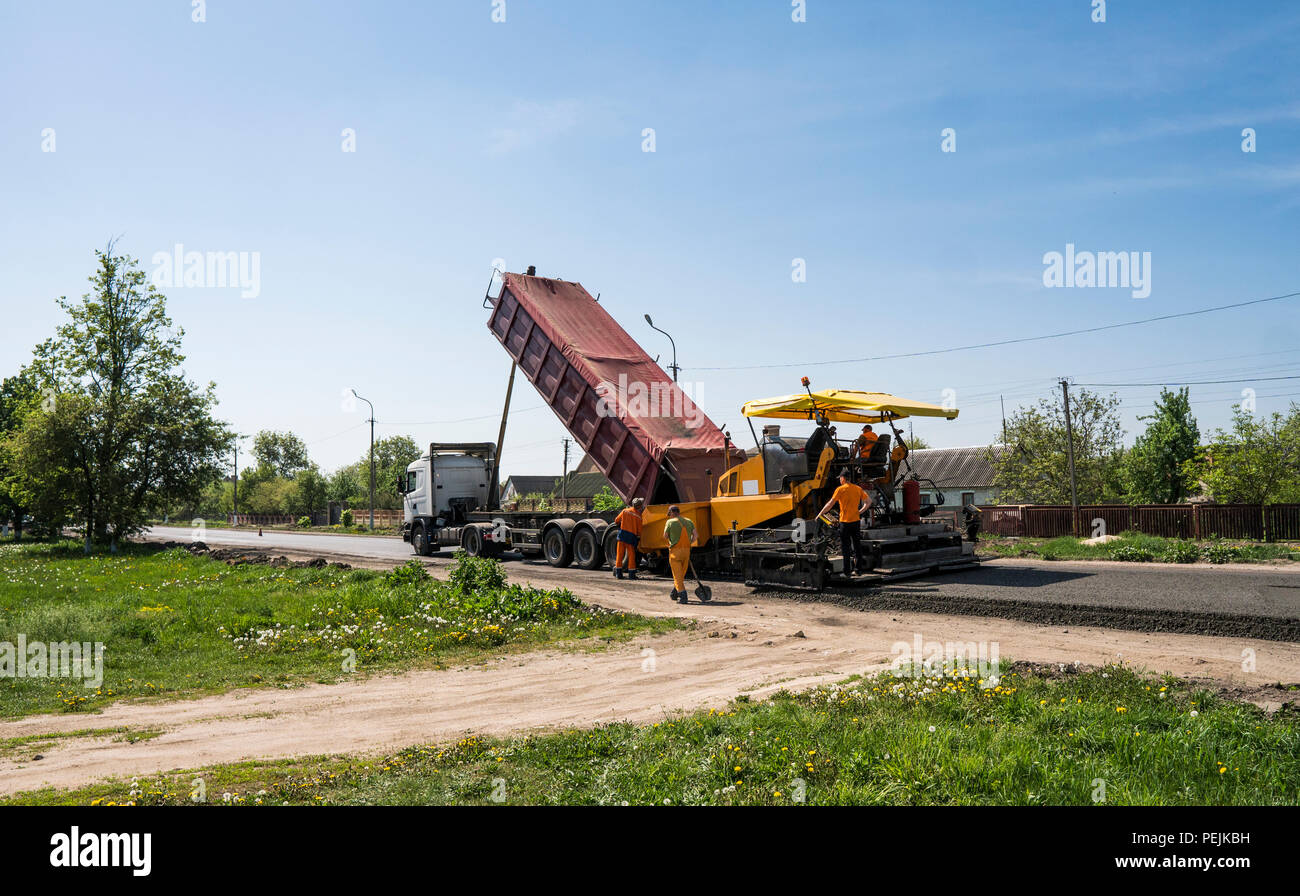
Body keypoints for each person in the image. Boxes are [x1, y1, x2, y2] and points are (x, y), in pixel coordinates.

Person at [818, 470, 871, 575]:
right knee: (857, 546)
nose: (839, 480)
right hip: (856, 522)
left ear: (843, 478)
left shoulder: (840, 489)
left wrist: (820, 513)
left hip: (845, 523)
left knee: (845, 547)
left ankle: (847, 572)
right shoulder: (858, 488)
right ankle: (858, 570)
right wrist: (860, 511)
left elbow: (830, 504)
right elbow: (869, 502)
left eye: (840, 478)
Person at [663, 505, 698, 602]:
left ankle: (683, 595)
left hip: (675, 552)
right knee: (681, 574)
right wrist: (688, 543)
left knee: (677, 575)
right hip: (686, 551)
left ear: (672, 512)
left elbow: (665, 536)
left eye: (669, 514)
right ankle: (675, 593)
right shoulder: (689, 521)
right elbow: (695, 536)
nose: (669, 516)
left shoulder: (670, 522)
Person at [612, 498, 644, 579]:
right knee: (631, 555)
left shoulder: (625, 511)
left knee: (620, 554)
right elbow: (639, 530)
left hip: (622, 535)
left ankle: (619, 574)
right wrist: (639, 537)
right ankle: (631, 574)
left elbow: (616, 520)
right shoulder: (639, 516)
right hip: (631, 537)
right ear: (639, 506)